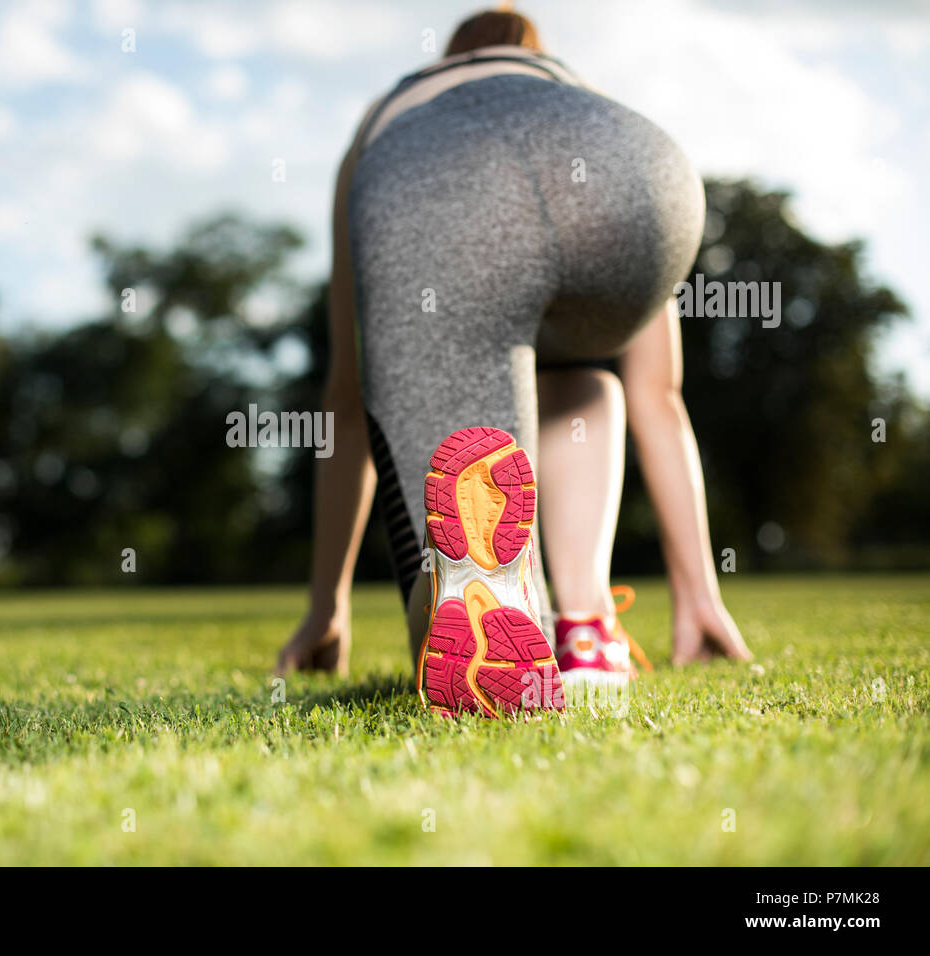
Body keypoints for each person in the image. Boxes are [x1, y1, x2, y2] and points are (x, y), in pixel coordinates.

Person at [273, 6, 750, 716]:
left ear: (446, 60)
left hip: (438, 179)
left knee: (446, 563)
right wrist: (699, 594)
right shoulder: (569, 82)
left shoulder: (391, 113)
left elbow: (347, 399)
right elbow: (660, 395)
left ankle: (489, 593)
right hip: (634, 169)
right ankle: (585, 626)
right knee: (587, 382)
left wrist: (326, 606)